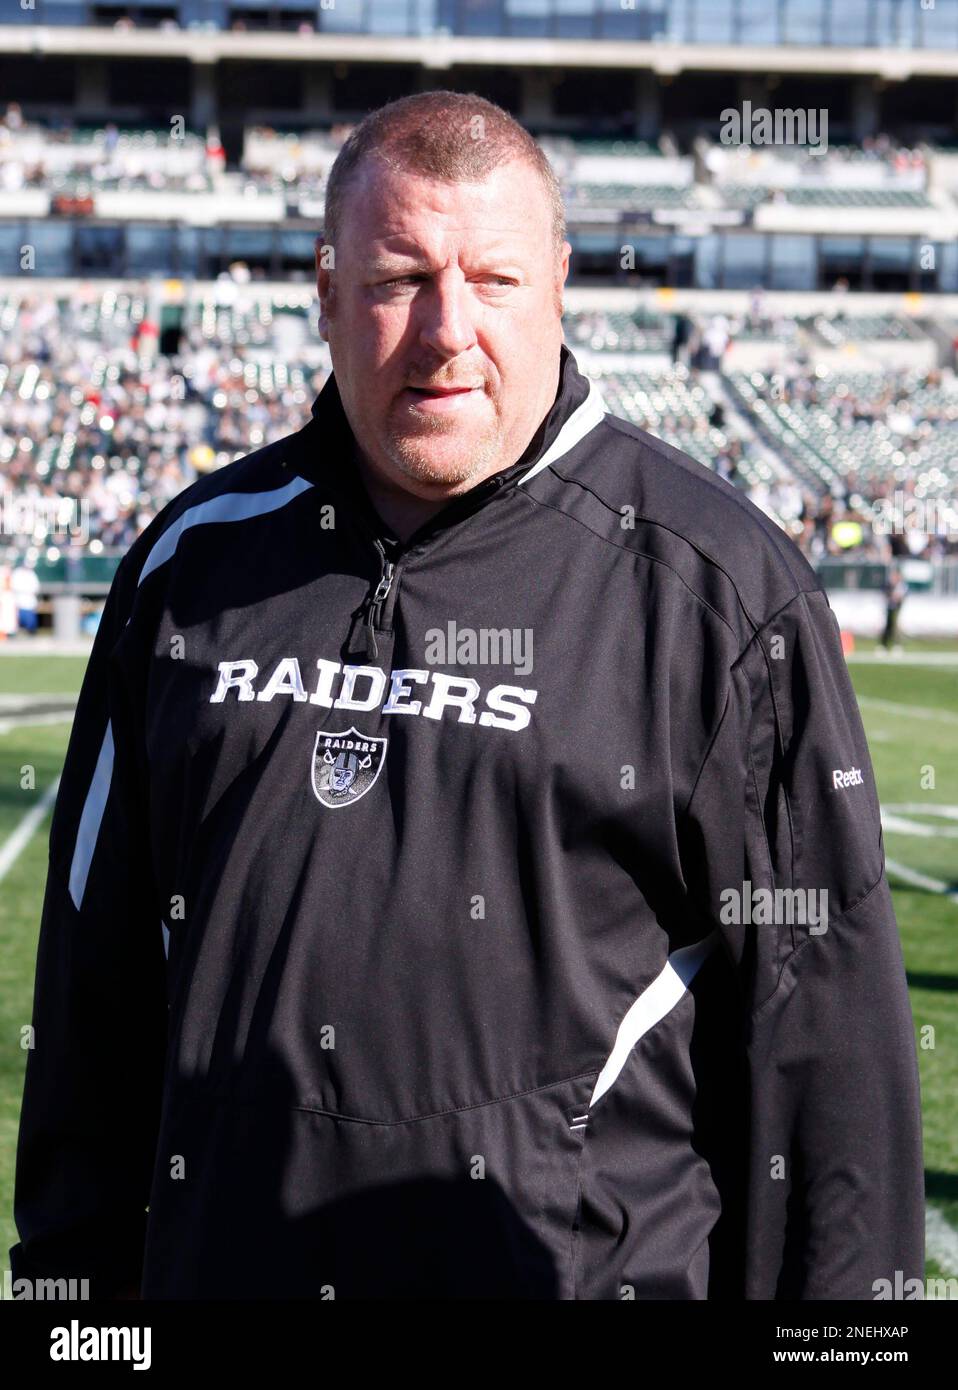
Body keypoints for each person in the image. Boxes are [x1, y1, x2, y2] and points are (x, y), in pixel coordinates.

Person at [11, 91, 923, 1301]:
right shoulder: (191, 570)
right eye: (398, 278)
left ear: (558, 285)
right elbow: (92, 1010)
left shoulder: (719, 595)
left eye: (491, 280)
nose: (448, 331)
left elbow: (829, 1069)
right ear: (325, 294)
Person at [880, 565, 908, 655]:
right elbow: (885, 593)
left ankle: (897, 645)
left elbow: (902, 596)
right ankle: (884, 645)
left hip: (897, 609)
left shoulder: (902, 585)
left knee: (896, 627)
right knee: (888, 626)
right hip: (889, 608)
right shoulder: (889, 584)